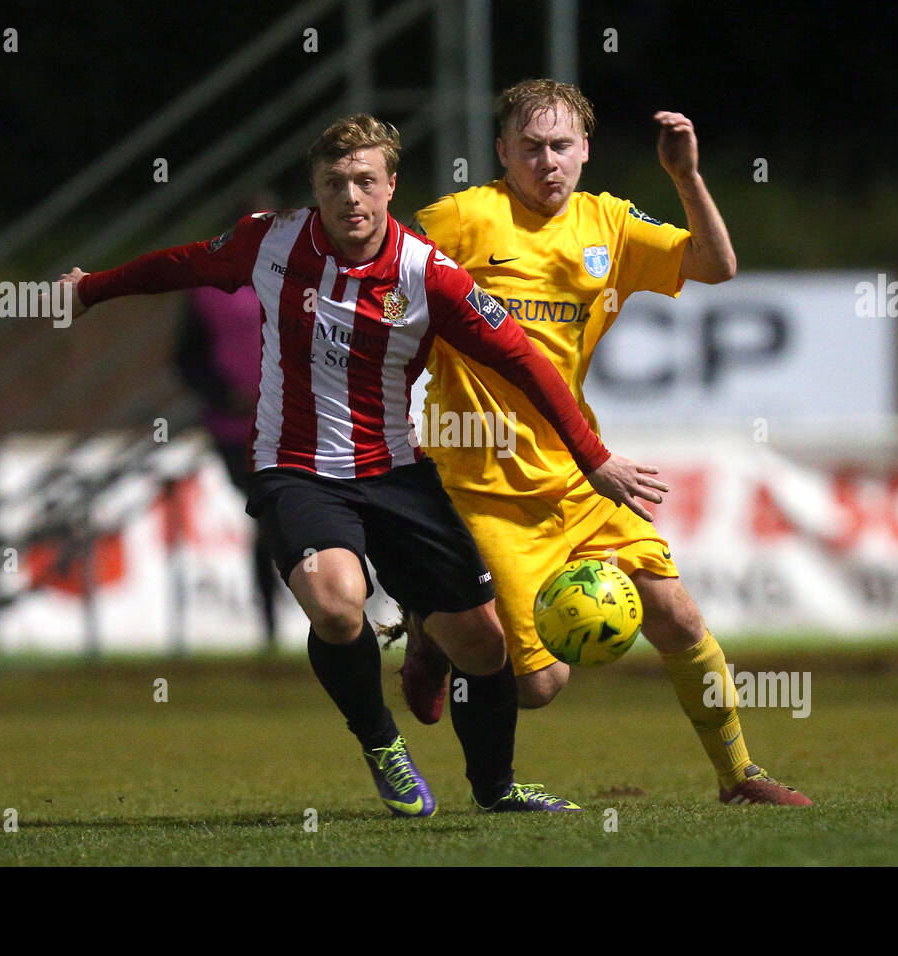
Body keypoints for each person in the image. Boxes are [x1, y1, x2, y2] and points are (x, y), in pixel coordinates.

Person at [56, 113, 667, 816]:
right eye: (335, 182)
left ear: (390, 186)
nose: (351, 197)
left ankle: (496, 790)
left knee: (482, 643)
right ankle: (381, 742)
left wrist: (594, 459)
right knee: (338, 603)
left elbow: (525, 361)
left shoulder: (429, 274)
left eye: (365, 182)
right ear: (315, 190)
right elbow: (182, 264)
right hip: (294, 468)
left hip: (395, 472)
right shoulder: (271, 240)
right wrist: (92, 287)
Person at [402, 79, 811, 806]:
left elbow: (717, 267)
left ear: (586, 151)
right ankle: (434, 628)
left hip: (582, 472)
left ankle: (739, 776)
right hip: (481, 485)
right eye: (529, 147)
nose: (546, 161)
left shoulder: (610, 225)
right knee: (538, 685)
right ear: (502, 152)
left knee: (678, 614)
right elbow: (381, 297)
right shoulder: (461, 219)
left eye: (561, 145)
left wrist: (685, 176)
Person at [172, 247, 281, 648]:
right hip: (236, 431)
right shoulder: (207, 292)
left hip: (293, 426)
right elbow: (186, 359)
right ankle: (271, 623)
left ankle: (279, 623)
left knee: (277, 517)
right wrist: (224, 395)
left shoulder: (300, 279)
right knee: (271, 513)